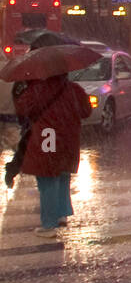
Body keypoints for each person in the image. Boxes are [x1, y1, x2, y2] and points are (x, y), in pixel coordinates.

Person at [12, 72, 92, 235]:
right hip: (68, 137)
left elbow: (21, 109)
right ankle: (62, 213)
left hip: (48, 137)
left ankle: (49, 224)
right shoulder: (74, 89)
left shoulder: (38, 89)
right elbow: (86, 111)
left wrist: (25, 88)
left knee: (47, 177)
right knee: (62, 173)